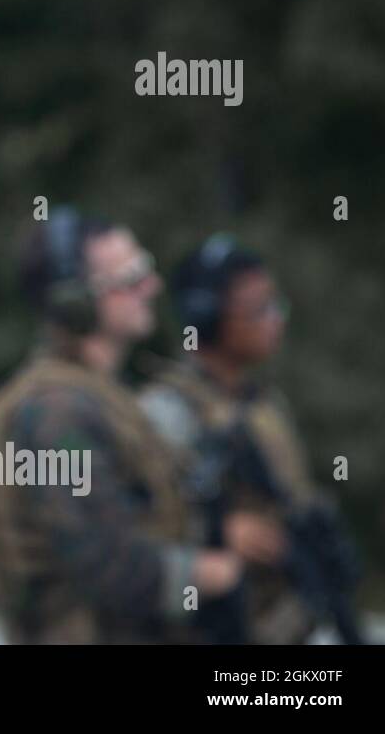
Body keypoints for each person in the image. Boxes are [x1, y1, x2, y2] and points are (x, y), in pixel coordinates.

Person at [0, 207, 242, 643]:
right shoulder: (56, 413)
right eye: (130, 279)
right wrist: (217, 573)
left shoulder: (100, 398)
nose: (151, 287)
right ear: (75, 304)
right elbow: (106, 564)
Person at [139, 234, 345, 643]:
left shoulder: (266, 407)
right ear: (208, 315)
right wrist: (215, 534)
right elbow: (136, 534)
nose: (275, 319)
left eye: (275, 304)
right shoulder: (163, 413)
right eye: (258, 308)